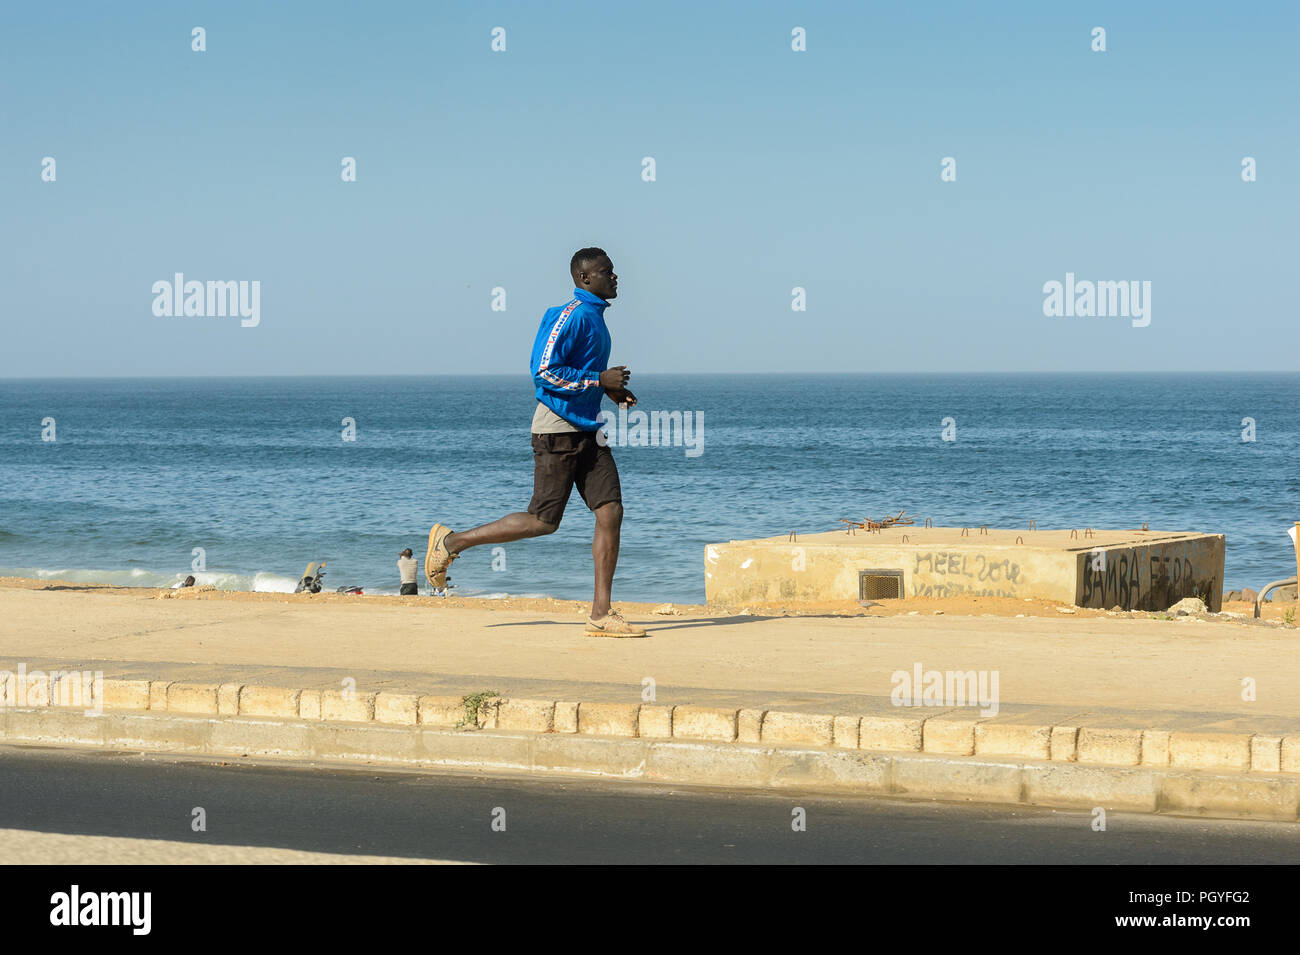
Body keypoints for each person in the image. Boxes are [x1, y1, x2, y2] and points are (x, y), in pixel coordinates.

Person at [424, 248, 645, 636]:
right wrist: (598, 380)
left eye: (613, 271)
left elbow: (579, 372)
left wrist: (608, 391)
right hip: (556, 431)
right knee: (543, 522)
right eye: (607, 272)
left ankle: (601, 613)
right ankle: (452, 542)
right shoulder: (569, 315)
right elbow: (543, 371)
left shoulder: (596, 317)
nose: (616, 277)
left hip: (589, 431)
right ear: (586, 278)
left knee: (610, 512)